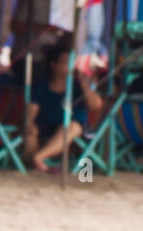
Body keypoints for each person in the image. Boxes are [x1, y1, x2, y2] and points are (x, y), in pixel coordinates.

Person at [24, 40, 103, 173]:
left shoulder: (78, 86)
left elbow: (96, 105)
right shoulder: (40, 87)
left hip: (75, 129)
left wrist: (84, 83)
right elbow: (31, 114)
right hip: (46, 127)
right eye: (65, 62)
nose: (70, 66)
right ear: (53, 66)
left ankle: (39, 157)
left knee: (71, 127)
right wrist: (30, 126)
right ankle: (32, 165)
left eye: (72, 62)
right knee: (30, 130)